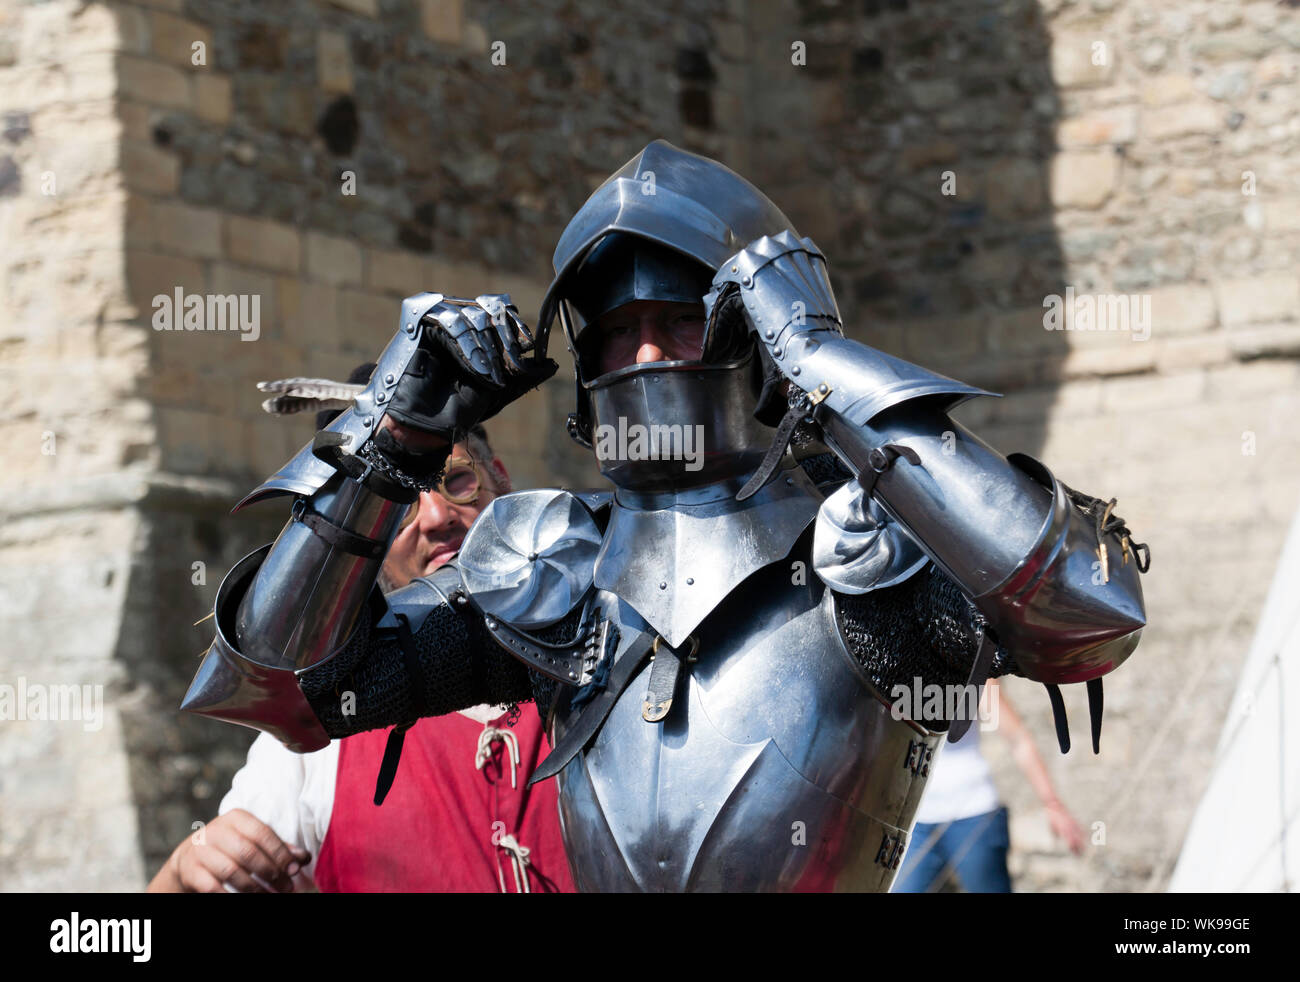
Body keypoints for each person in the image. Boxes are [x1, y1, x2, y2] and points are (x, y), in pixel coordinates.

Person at [181, 140, 1150, 892]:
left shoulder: (870, 540)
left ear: (756, 323)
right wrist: (391, 435)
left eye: (679, 321)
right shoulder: (557, 566)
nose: (646, 357)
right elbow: (279, 691)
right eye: (614, 332)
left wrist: (816, 360)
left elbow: (1086, 615)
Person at [149, 373, 572, 893]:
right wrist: (180, 875)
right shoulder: (321, 729)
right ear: (358, 540)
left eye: (456, 479)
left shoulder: (607, 653)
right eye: (399, 506)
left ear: (500, 478)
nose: (438, 516)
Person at [892, 678, 1085, 893]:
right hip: (915, 821)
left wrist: (1053, 804)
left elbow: (1018, 739)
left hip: (973, 812)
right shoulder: (892, 666)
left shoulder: (975, 669)